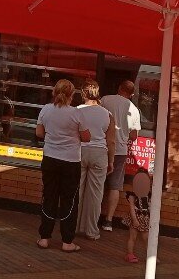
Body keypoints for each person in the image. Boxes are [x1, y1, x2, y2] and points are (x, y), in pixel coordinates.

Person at [35, 79, 90, 253]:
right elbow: (87, 137)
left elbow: (39, 133)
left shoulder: (46, 109)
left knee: (49, 196)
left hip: (50, 158)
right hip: (71, 161)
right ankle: (67, 241)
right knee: (70, 200)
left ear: (54, 92)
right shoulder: (76, 113)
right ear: (72, 95)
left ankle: (44, 237)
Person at [99, 79, 141, 232]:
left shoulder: (105, 100)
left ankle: (93, 215)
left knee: (98, 183)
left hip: (102, 147)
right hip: (120, 151)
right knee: (115, 186)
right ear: (131, 94)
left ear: (119, 87)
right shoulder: (134, 109)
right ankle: (108, 221)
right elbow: (134, 135)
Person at [76, 80, 115, 240]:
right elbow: (111, 141)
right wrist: (111, 161)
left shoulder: (76, 111)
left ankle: (74, 226)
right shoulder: (107, 114)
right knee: (96, 194)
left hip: (79, 152)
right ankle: (91, 231)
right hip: (100, 153)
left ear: (83, 94)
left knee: (76, 191)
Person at [122, 169, 152, 263]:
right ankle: (130, 254)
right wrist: (134, 219)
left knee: (146, 238)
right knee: (132, 237)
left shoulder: (149, 194)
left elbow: (150, 206)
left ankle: (150, 256)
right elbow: (131, 207)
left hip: (145, 218)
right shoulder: (132, 195)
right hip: (135, 217)